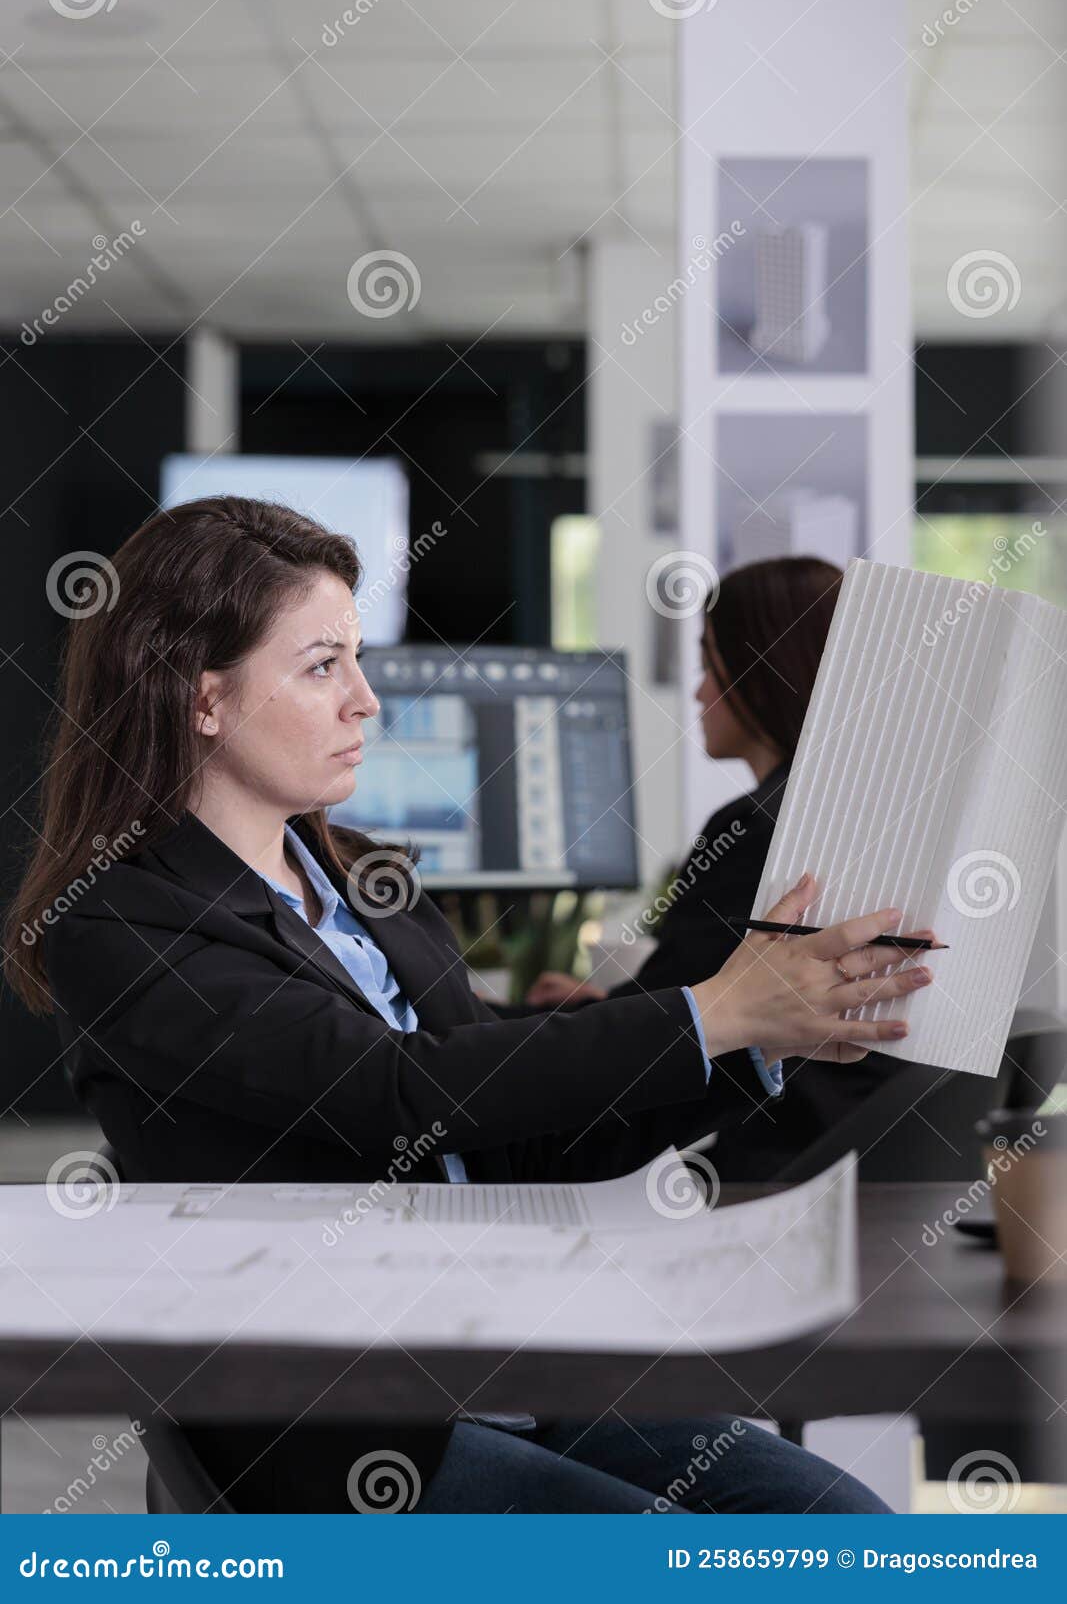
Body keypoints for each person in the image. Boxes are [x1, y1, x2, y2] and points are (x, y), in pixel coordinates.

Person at [4, 500, 934, 1513]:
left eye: (357, 659)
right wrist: (712, 1009)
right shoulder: (125, 923)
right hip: (352, 1435)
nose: (365, 701)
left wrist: (760, 1033)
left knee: (849, 1529)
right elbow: (396, 1094)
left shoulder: (362, 887)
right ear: (203, 698)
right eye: (322, 666)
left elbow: (516, 1128)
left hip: (509, 1371)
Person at [520, 557, 921, 1183]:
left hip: (750, 1166)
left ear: (765, 674)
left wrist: (481, 1025)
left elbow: (668, 1032)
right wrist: (603, 1007)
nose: (701, 690)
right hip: (862, 1168)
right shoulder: (875, 815)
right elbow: (695, 1002)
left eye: (711, 663)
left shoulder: (757, 828)